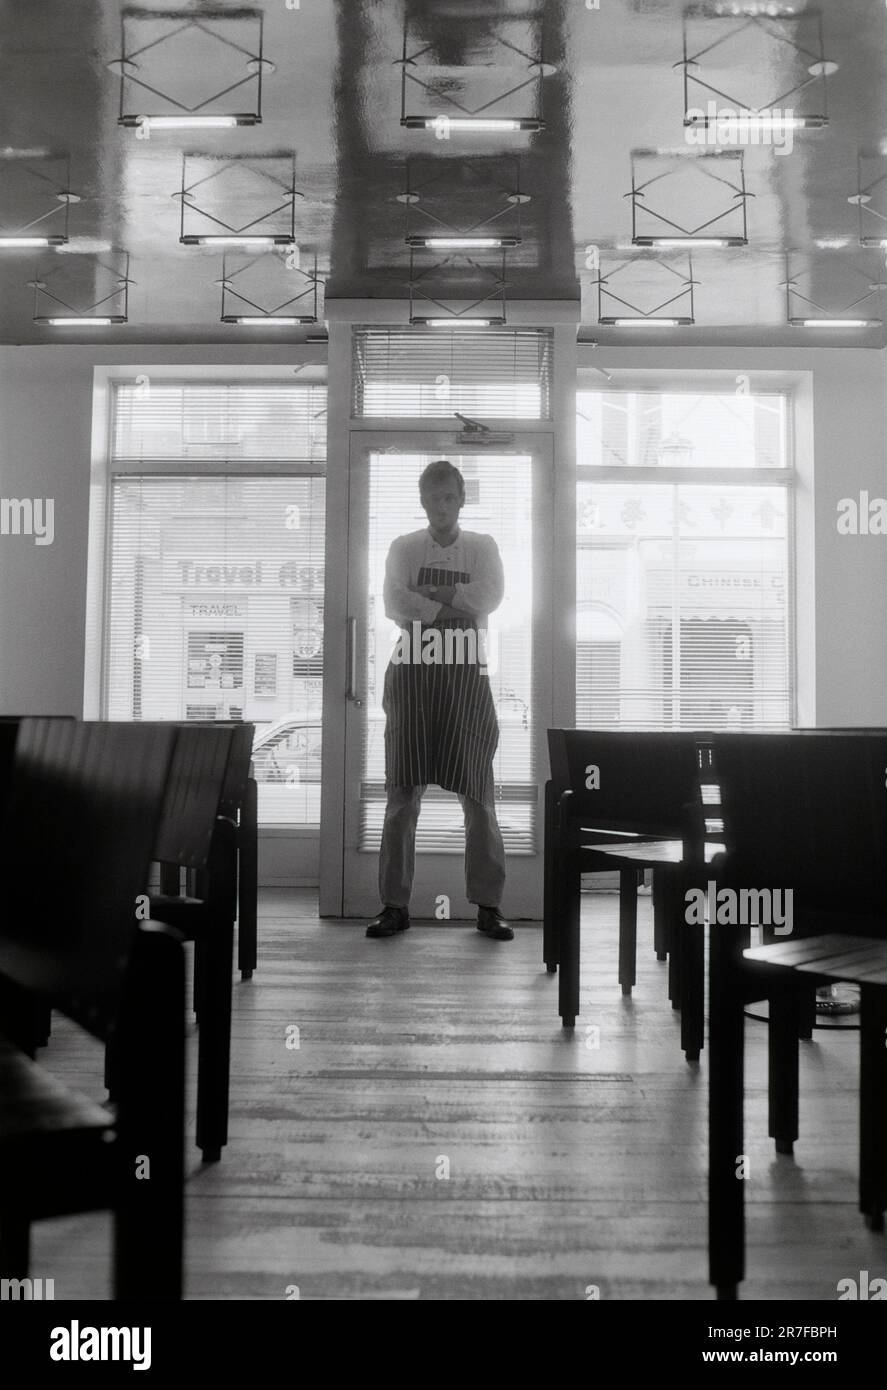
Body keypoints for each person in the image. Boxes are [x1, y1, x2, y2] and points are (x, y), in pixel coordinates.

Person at [366, 459, 512, 941]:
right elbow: (393, 601)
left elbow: (491, 595)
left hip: (467, 677)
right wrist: (453, 602)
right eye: (433, 498)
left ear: (462, 500)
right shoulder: (403, 548)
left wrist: (433, 594)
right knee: (402, 794)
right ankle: (394, 905)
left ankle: (488, 907)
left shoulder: (482, 546)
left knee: (478, 792)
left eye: (450, 497)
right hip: (411, 678)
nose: (442, 506)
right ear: (423, 500)